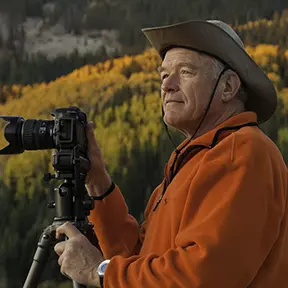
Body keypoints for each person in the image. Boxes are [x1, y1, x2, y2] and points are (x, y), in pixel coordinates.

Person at [54, 20, 288, 287]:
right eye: (164, 75)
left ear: (228, 87)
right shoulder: (193, 160)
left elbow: (201, 276)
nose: (168, 86)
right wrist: (97, 181)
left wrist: (99, 272)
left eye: (185, 72)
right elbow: (140, 261)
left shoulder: (243, 151)